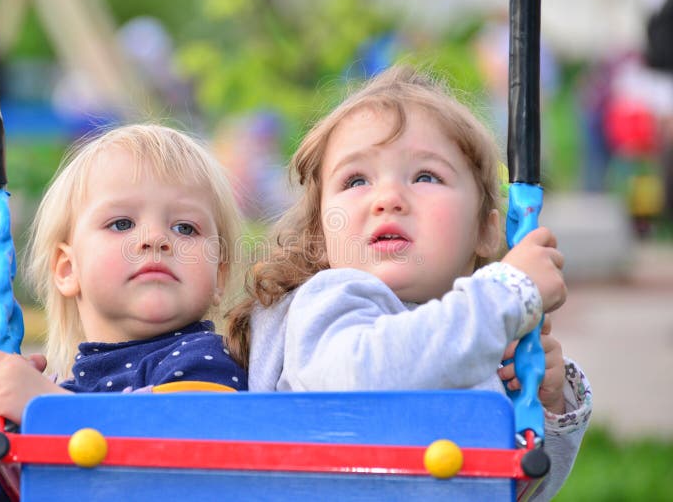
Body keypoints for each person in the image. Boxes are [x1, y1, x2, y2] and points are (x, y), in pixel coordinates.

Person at [226, 65, 592, 500]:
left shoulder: (472, 334)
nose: (388, 199)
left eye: (425, 176)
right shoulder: (327, 305)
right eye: (356, 180)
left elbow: (514, 485)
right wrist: (505, 292)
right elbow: (364, 375)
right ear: (320, 237)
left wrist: (546, 406)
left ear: (486, 230)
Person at [0, 124, 248, 501]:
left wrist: (47, 409)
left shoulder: (205, 361)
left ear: (218, 275)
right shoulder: (63, 390)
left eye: (184, 227)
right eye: (121, 223)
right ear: (68, 269)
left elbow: (184, 449)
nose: (155, 239)